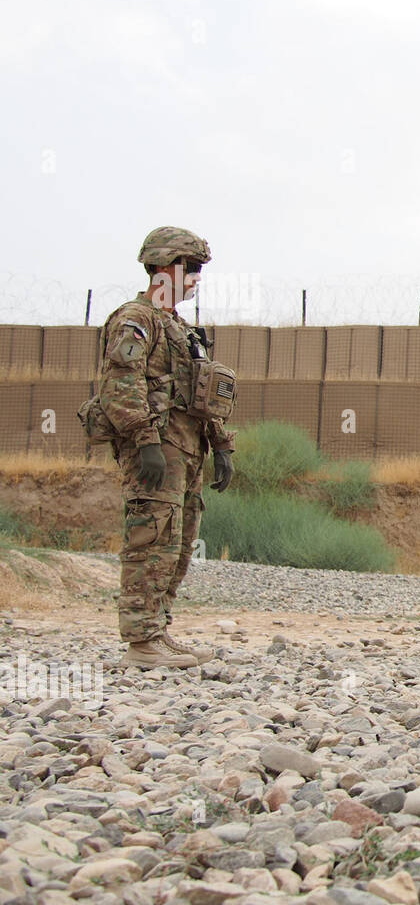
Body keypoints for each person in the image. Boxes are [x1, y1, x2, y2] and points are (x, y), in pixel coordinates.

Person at [98, 226, 237, 669]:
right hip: (156, 450)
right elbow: (121, 383)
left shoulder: (179, 327)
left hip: (186, 450)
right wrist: (144, 441)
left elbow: (199, 394)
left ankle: (156, 631)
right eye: (190, 268)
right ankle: (140, 643)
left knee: (178, 541)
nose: (196, 278)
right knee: (150, 538)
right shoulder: (135, 320)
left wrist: (222, 446)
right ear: (163, 268)